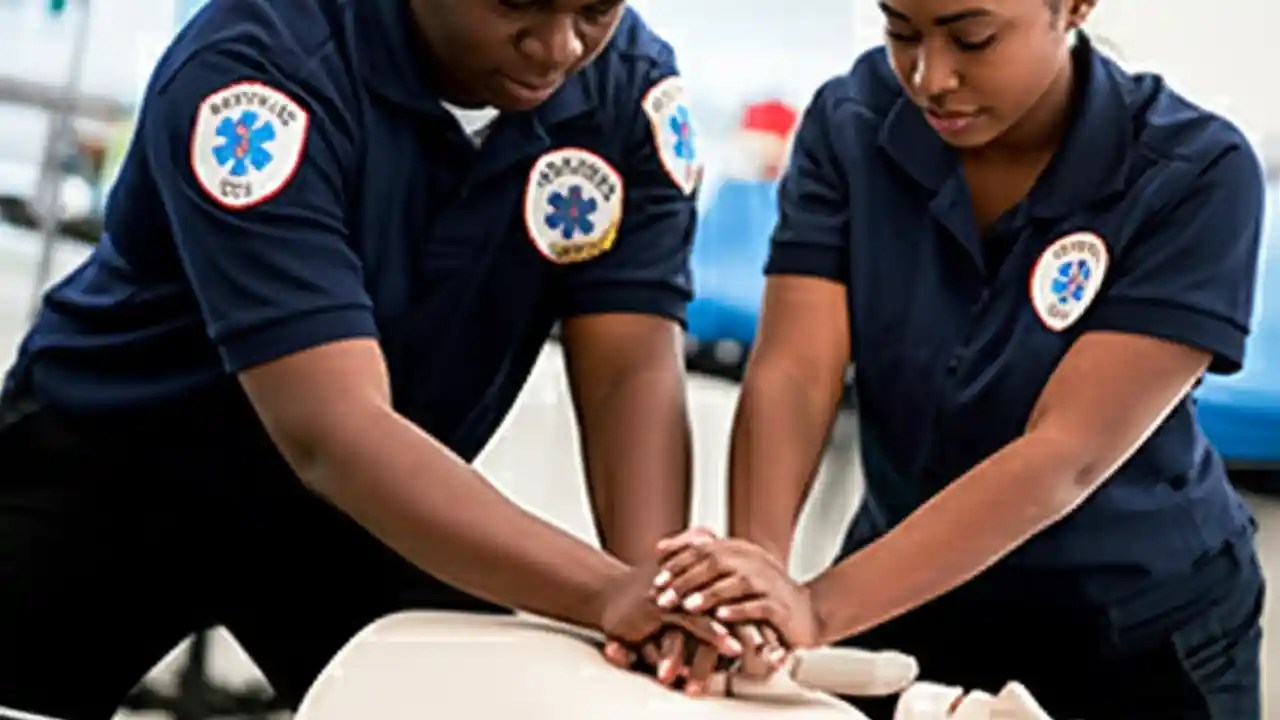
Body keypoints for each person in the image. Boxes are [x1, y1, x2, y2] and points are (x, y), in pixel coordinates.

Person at [0, 1, 750, 717]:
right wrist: (602, 593)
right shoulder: (256, 69)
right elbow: (332, 432)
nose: (558, 48)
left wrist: (660, 601)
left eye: (595, 10)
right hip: (118, 470)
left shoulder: (629, 92)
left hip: (374, 508)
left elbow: (628, 373)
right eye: (517, 4)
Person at [647, 1, 1268, 718]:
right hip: (904, 588)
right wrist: (759, 578)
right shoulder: (854, 122)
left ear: (1073, 6)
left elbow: (1065, 454)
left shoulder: (1193, 171)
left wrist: (815, 609)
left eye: (972, 39)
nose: (930, 76)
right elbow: (795, 370)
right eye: (901, 30)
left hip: (1135, 624)